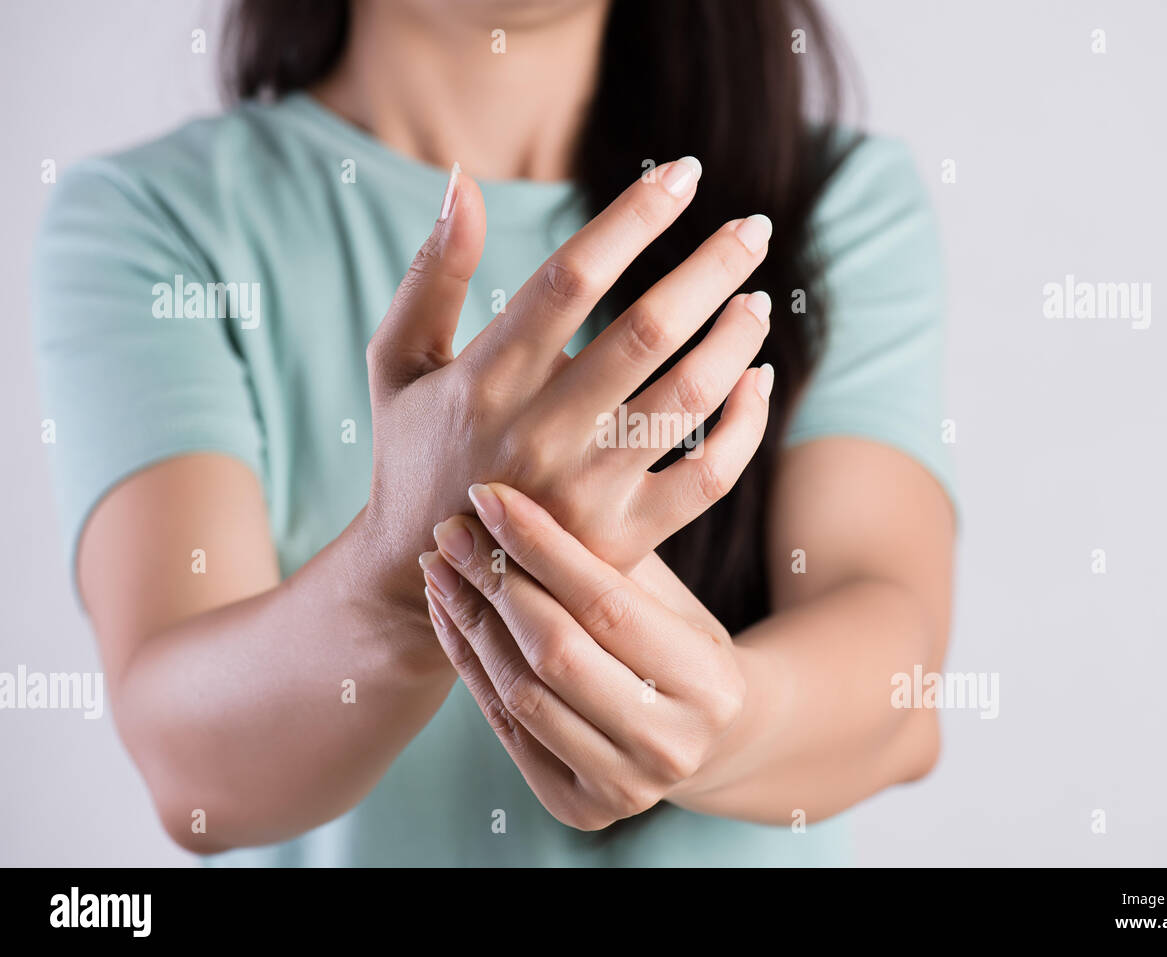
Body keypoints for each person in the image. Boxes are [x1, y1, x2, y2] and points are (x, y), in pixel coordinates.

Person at [32, 0, 956, 866]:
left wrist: (723, 723)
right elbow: (190, 763)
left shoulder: (835, 198)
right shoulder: (157, 217)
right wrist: (401, 573)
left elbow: (899, 681)